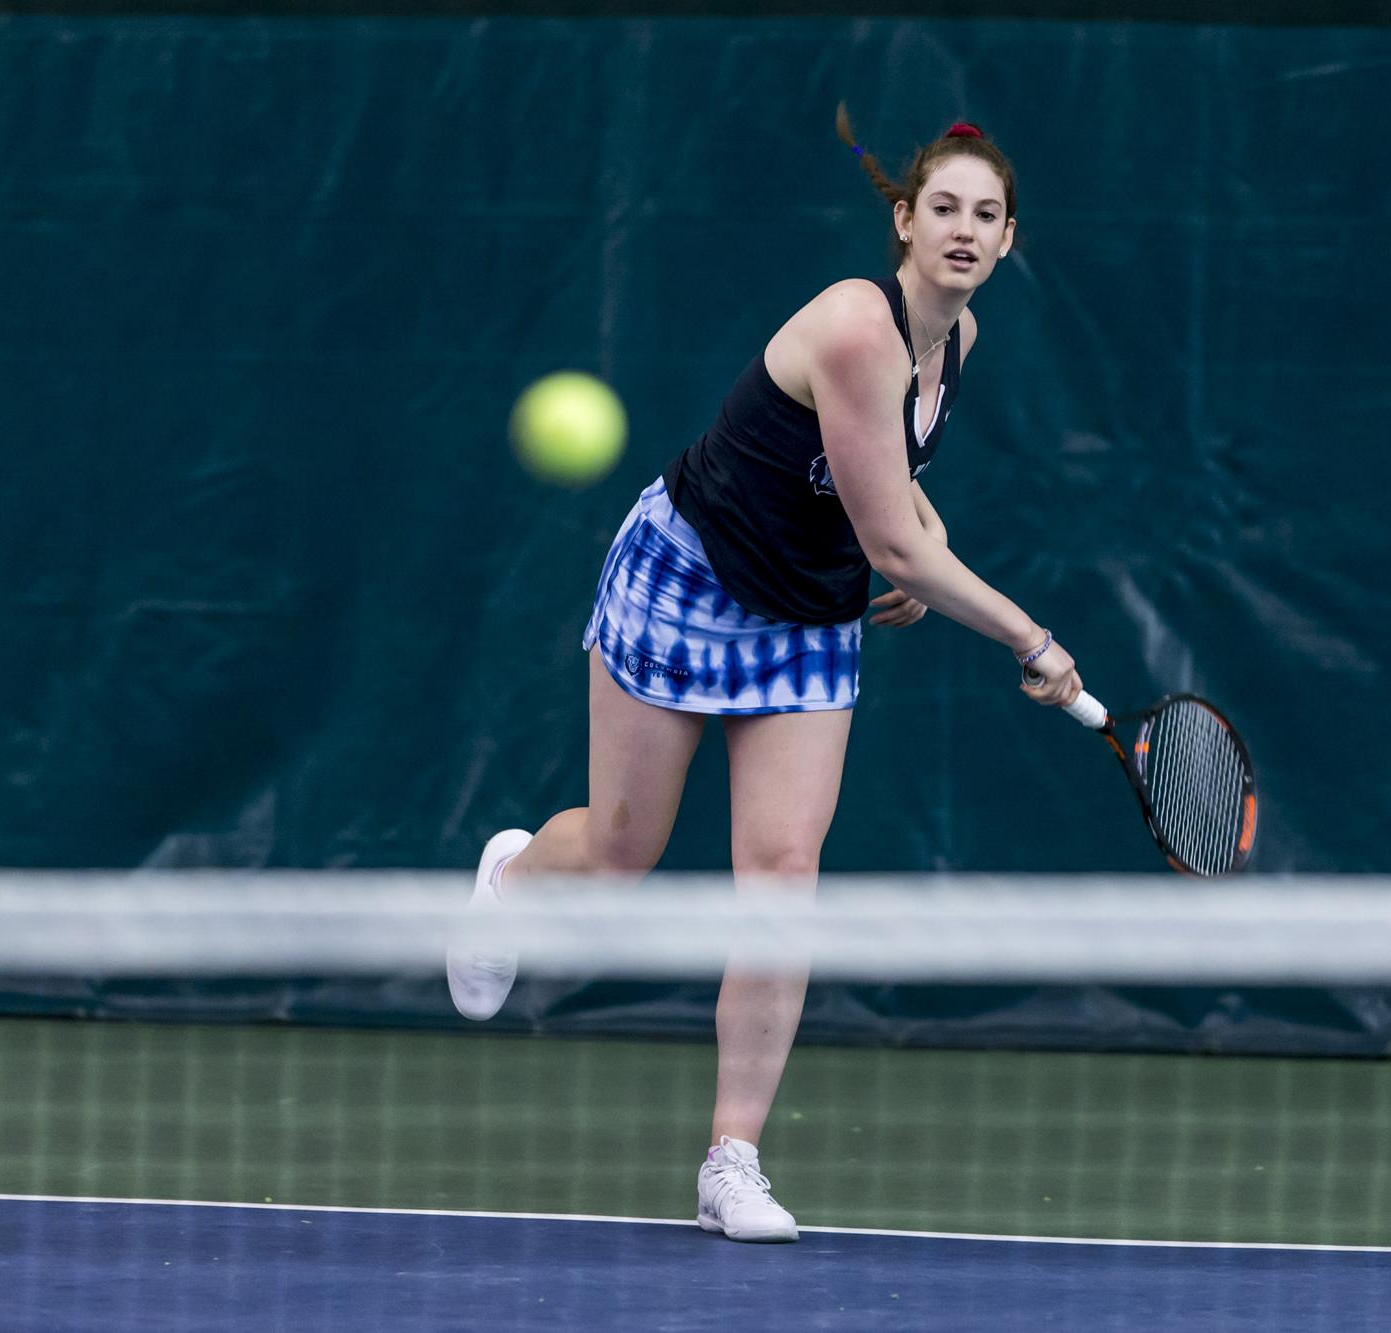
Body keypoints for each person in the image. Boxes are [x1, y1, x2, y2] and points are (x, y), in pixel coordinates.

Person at [447, 109, 1084, 1244]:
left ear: (1005, 239)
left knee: (783, 879)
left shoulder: (960, 340)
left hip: (805, 616)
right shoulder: (854, 323)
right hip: (687, 578)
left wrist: (917, 535)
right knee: (620, 853)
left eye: (986, 215)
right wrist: (1028, 636)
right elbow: (893, 546)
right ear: (903, 220)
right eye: (943, 207)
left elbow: (886, 484)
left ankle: (730, 1161)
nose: (964, 229)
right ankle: (511, 881)